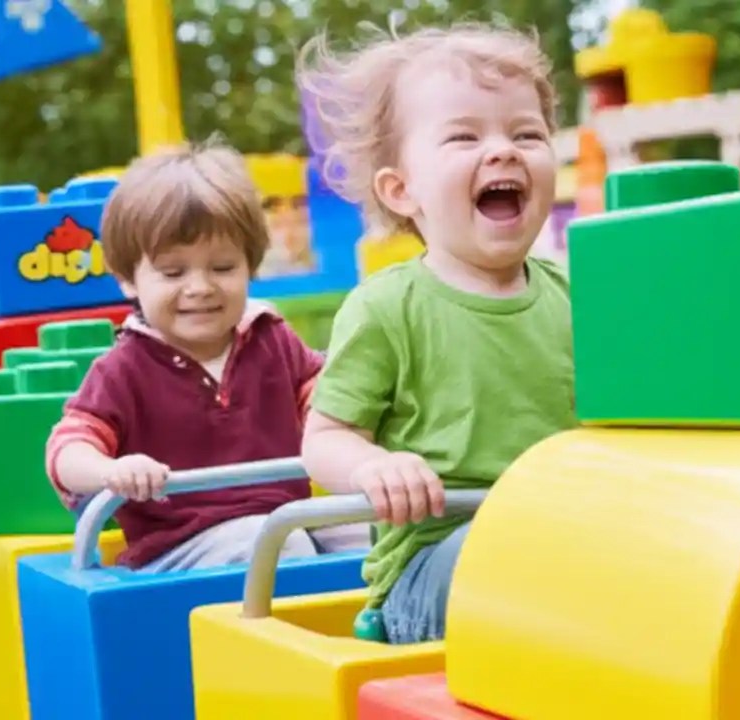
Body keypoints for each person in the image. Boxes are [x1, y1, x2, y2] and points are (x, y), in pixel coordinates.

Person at [298, 21, 576, 644]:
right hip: (435, 564)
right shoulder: (389, 307)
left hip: (568, 538)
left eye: (526, 133)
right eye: (464, 137)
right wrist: (375, 466)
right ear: (402, 190)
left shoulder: (573, 295)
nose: (503, 150)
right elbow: (325, 437)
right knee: (516, 554)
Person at [45, 139, 366, 572]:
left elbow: (330, 401)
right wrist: (111, 470)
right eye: (173, 272)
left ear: (250, 267)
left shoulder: (272, 338)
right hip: (179, 548)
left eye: (222, 268)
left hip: (284, 522)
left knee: (376, 532)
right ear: (128, 280)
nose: (200, 287)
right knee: (272, 546)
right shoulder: (123, 368)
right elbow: (67, 450)